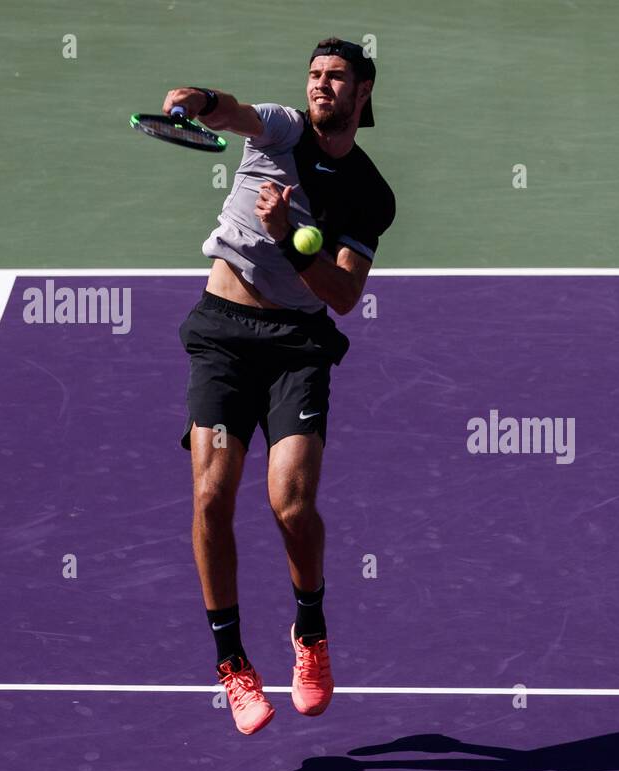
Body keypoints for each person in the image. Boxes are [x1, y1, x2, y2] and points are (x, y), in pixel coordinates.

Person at [165, 38, 396, 734]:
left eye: (338, 79)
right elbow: (233, 111)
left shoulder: (371, 194)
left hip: (296, 346)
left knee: (291, 505)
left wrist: (293, 241)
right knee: (211, 494)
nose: (323, 87)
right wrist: (197, 101)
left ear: (363, 95)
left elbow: (345, 294)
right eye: (316, 76)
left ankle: (310, 631)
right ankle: (233, 661)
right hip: (222, 333)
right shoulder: (284, 128)